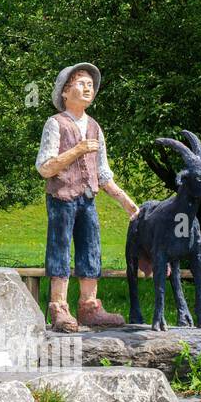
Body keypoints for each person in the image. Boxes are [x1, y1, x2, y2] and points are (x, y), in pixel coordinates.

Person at [36, 63, 138, 332]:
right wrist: (77, 150)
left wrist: (126, 203)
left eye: (90, 84)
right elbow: (44, 167)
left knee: (91, 248)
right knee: (59, 249)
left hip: (87, 199)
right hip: (61, 198)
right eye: (81, 83)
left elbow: (103, 173)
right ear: (65, 92)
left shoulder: (95, 127)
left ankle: (89, 306)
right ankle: (58, 307)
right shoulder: (55, 124)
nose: (88, 87)